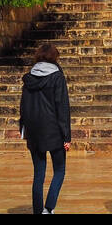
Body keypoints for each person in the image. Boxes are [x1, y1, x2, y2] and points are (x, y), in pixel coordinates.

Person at [19, 42, 71, 215]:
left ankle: (37, 211)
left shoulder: (29, 78)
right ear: (55, 57)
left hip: (34, 131)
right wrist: (67, 136)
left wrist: (23, 129)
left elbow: (23, 106)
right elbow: (62, 107)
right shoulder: (57, 77)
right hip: (54, 131)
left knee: (39, 174)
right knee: (60, 170)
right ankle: (48, 208)